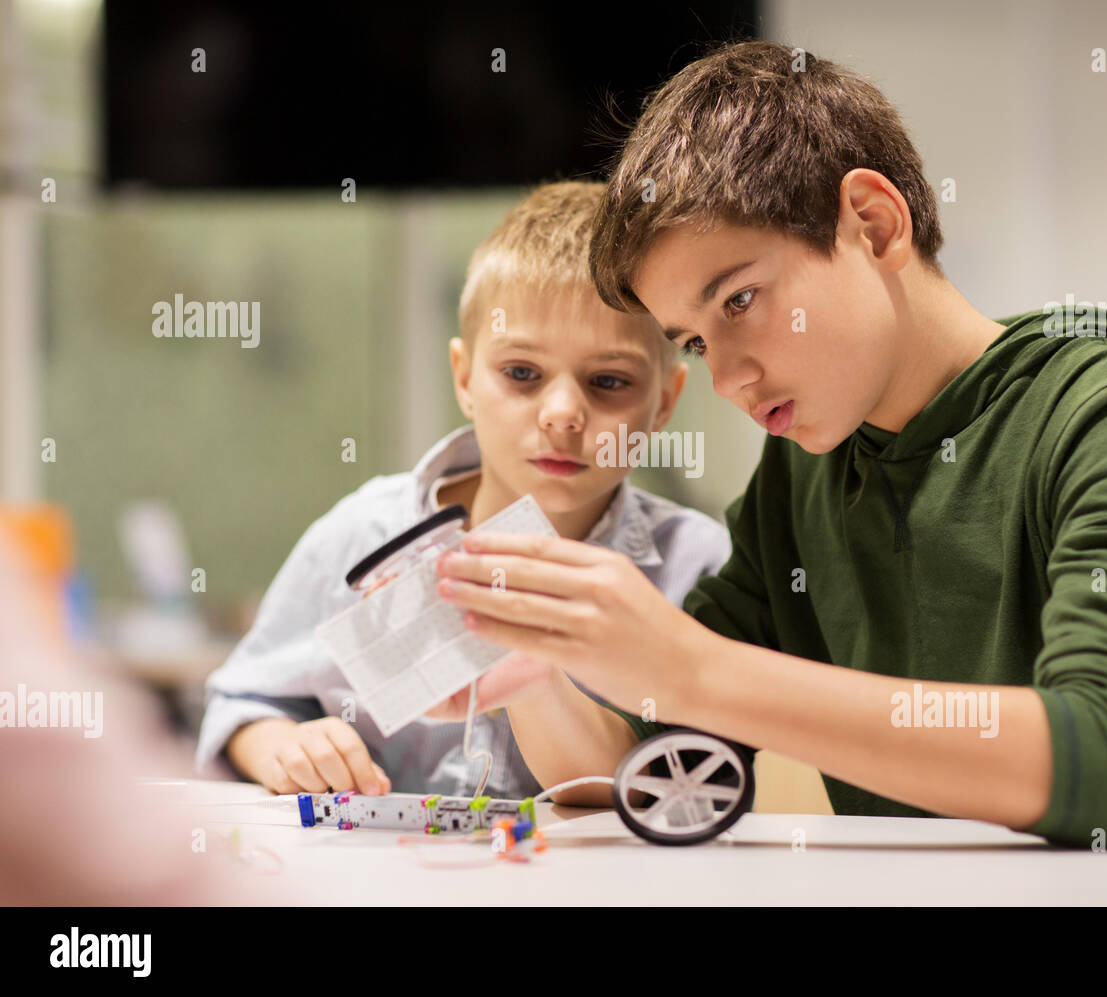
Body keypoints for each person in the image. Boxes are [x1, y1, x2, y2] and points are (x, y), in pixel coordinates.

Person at [432, 40, 1107, 847]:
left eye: (738, 301)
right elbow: (649, 765)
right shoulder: (802, 474)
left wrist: (696, 670)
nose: (726, 378)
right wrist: (531, 663)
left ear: (875, 225)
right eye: (692, 341)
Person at [196, 181, 730, 800]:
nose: (562, 414)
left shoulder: (699, 567)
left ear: (664, 402)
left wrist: (533, 675)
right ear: (464, 378)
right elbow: (242, 698)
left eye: (608, 380)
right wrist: (283, 747)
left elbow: (674, 787)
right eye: (522, 373)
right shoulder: (364, 532)